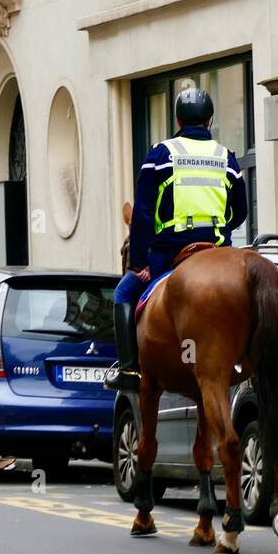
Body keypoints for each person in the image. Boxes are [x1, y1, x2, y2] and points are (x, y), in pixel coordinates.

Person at [105, 87, 248, 389]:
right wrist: (219, 231)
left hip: (168, 253)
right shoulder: (227, 158)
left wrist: (139, 261)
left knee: (122, 295)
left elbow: (142, 214)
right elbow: (241, 212)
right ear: (210, 120)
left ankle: (130, 370)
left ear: (178, 120)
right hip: (217, 250)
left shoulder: (160, 155)